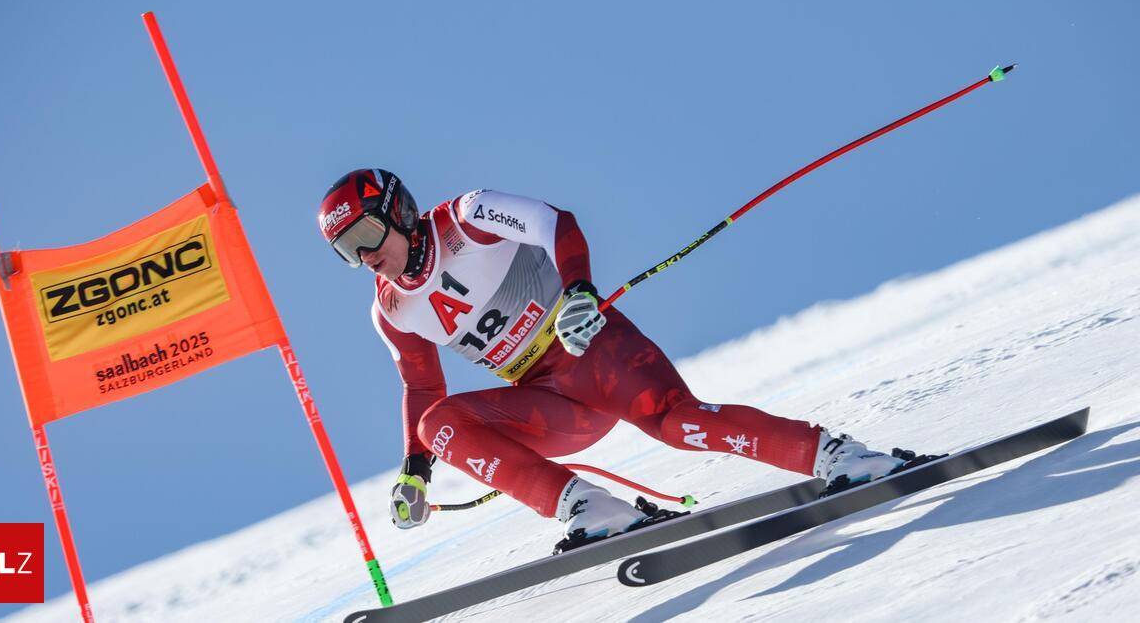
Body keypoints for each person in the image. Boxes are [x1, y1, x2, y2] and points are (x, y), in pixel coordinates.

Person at [318, 168, 916, 553]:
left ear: (398, 212)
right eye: (346, 252)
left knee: (679, 425)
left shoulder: (468, 216)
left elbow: (554, 223)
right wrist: (415, 471)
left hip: (591, 351)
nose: (364, 258)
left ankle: (840, 455)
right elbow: (423, 387)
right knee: (439, 425)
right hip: (548, 401)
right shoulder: (391, 309)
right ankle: (591, 509)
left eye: (365, 236)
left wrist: (579, 290)